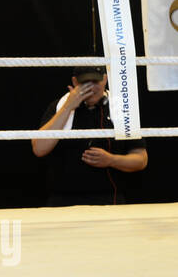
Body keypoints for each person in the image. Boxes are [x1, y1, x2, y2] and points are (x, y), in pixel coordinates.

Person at [31, 66, 148, 205]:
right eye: (84, 83)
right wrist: (68, 108)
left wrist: (111, 160)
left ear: (105, 79)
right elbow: (39, 149)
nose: (91, 87)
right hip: (62, 200)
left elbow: (141, 159)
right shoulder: (59, 106)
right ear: (74, 82)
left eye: (95, 82)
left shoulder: (122, 108)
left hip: (109, 198)